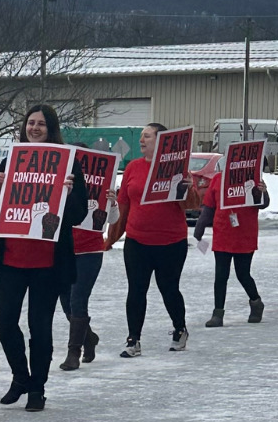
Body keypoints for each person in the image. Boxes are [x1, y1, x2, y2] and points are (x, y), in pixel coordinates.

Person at [0, 105, 88, 411]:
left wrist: (68, 195)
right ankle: (21, 377)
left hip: (48, 263)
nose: (35, 128)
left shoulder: (69, 164)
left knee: (39, 327)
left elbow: (79, 214)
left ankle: (37, 389)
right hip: (10, 261)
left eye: (41, 124)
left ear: (51, 128)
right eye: (31, 123)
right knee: (5, 323)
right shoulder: (10, 161)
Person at [105, 123, 200, 357]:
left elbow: (193, 205)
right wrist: (110, 237)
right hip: (137, 241)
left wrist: (188, 190)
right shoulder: (133, 168)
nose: (141, 140)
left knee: (169, 289)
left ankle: (180, 329)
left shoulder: (176, 169)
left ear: (161, 141)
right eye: (141, 136)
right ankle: (133, 339)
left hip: (171, 242)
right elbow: (124, 207)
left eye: (147, 136)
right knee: (136, 290)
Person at [56, 176, 117, 371]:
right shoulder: (63, 183)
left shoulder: (100, 185)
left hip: (90, 251)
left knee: (77, 300)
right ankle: (89, 337)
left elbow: (113, 220)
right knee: (65, 301)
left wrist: (112, 203)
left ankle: (74, 351)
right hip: (64, 249)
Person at [193, 172, 269, 327]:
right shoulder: (218, 179)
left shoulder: (252, 179)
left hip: (245, 234)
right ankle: (218, 313)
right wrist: (199, 229)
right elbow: (209, 207)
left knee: (243, 274)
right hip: (223, 233)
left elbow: (262, 204)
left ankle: (256, 303)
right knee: (221, 275)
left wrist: (263, 192)